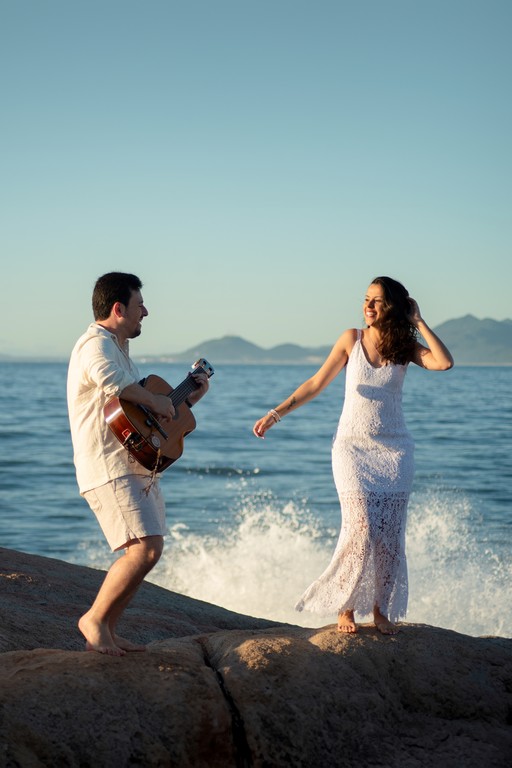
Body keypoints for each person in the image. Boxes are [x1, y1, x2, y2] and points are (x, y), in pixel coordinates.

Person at [253, 276, 453, 635]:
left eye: (377, 301)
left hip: (395, 451)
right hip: (352, 449)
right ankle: (345, 607)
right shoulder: (351, 339)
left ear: (393, 306)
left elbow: (444, 363)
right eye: (366, 299)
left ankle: (380, 610)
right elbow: (316, 383)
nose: (368, 306)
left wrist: (418, 321)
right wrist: (275, 413)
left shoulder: (405, 346)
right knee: (360, 527)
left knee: (389, 535)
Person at [67, 272, 209, 655]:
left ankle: (108, 629)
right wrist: (153, 399)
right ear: (118, 308)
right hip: (109, 465)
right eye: (139, 305)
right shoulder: (94, 346)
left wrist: (186, 398)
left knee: (147, 550)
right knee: (146, 549)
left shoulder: (118, 348)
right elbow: (113, 384)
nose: (145, 311)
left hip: (133, 463)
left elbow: (146, 414)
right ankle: (94, 621)